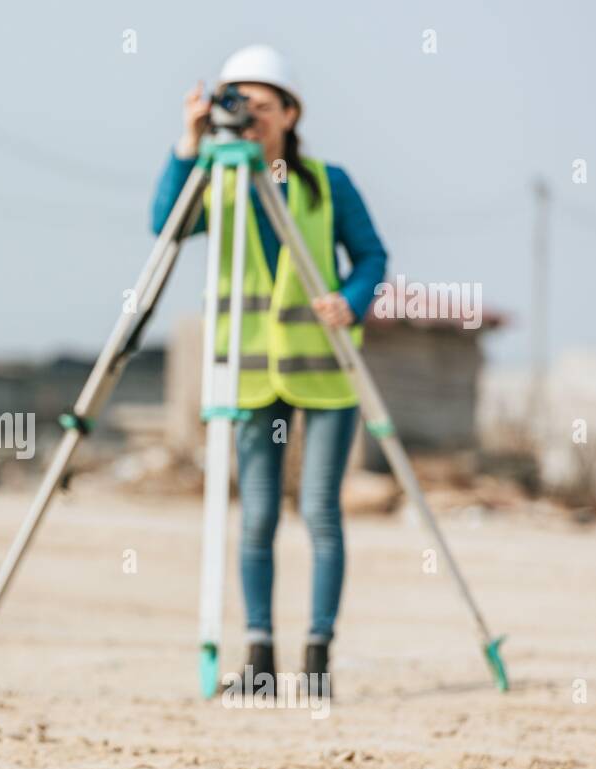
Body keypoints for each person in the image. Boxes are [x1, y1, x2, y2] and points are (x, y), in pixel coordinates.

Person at [150, 46, 387, 696]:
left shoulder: (326, 182)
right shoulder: (216, 176)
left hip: (324, 370)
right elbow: (163, 227)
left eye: (263, 103)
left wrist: (353, 297)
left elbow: (371, 256)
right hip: (249, 372)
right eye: (238, 101)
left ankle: (316, 660)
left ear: (290, 112)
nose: (250, 115)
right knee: (256, 516)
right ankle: (258, 659)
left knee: (319, 511)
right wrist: (189, 141)